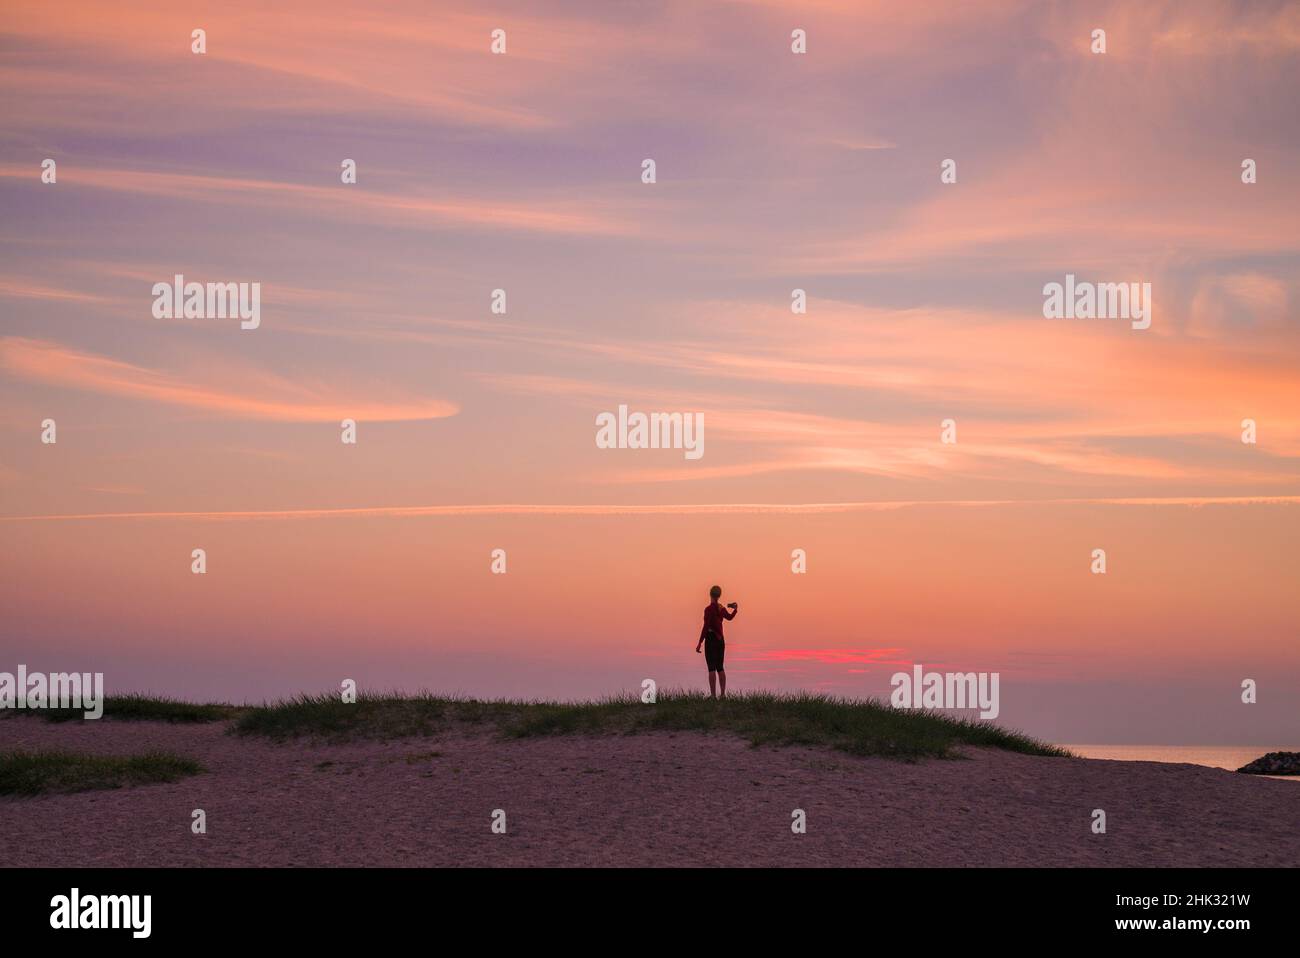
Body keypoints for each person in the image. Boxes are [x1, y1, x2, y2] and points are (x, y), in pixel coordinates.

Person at [695, 585, 737, 699]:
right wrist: (735, 610)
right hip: (720, 640)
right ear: (719, 595)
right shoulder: (721, 608)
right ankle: (723, 695)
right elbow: (729, 617)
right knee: (720, 667)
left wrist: (700, 642)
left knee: (711, 668)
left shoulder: (708, 609)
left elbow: (706, 626)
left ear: (710, 594)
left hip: (710, 639)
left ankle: (713, 695)